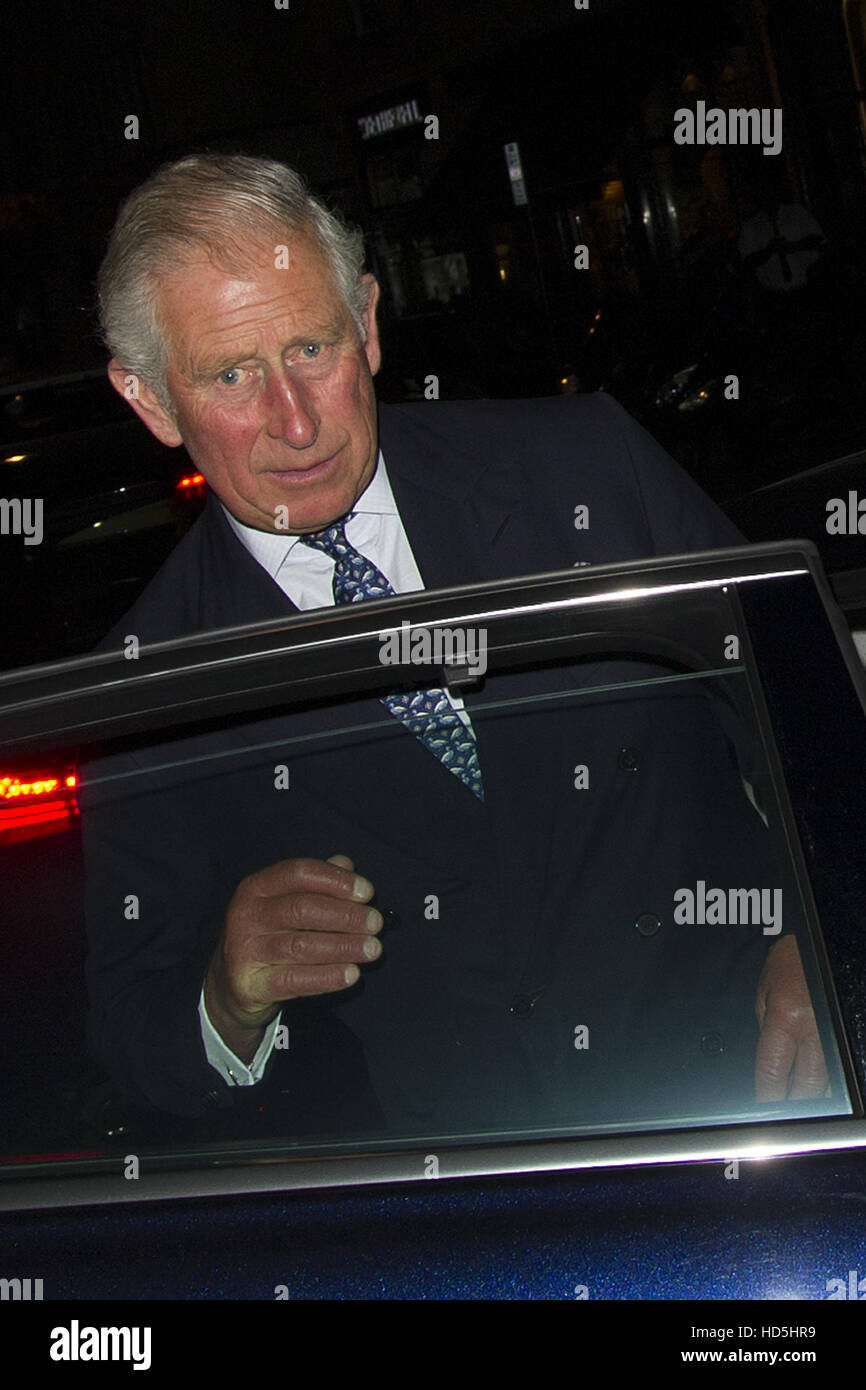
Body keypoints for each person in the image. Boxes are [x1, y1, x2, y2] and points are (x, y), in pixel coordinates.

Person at [81, 153, 828, 1138]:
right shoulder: (154, 675)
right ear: (149, 402)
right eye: (231, 373)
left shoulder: (578, 468)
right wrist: (228, 993)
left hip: (768, 1077)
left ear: (370, 324)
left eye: (311, 347)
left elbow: (808, 706)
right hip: (494, 1178)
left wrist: (821, 948)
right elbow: (135, 1036)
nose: (295, 420)